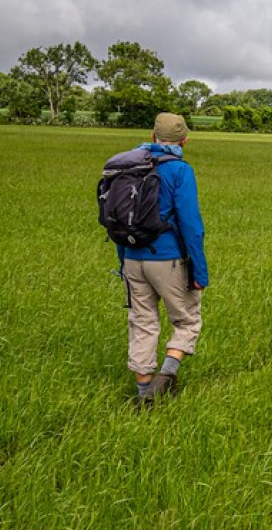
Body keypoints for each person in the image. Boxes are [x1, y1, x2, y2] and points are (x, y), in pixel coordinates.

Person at [118, 112, 209, 404]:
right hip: (168, 259)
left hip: (132, 257)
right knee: (187, 321)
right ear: (184, 140)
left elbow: (119, 219)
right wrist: (199, 271)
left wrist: (123, 261)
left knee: (142, 323)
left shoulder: (129, 166)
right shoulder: (180, 170)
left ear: (153, 136)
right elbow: (191, 225)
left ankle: (143, 394)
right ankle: (165, 379)